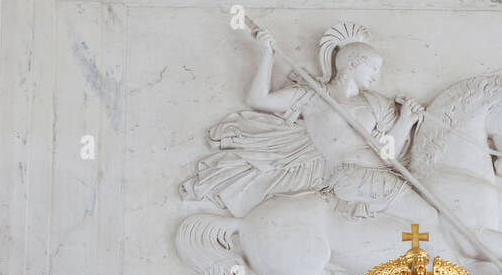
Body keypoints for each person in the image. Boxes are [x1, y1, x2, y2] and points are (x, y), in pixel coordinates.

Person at [180, 22, 424, 220]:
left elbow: (387, 154)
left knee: (424, 217)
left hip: (376, 175)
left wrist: (407, 119)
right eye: (373, 68)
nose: (376, 76)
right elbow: (258, 99)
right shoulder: (312, 95)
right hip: (342, 178)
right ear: (353, 64)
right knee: (425, 218)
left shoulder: (377, 103)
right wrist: (267, 54)